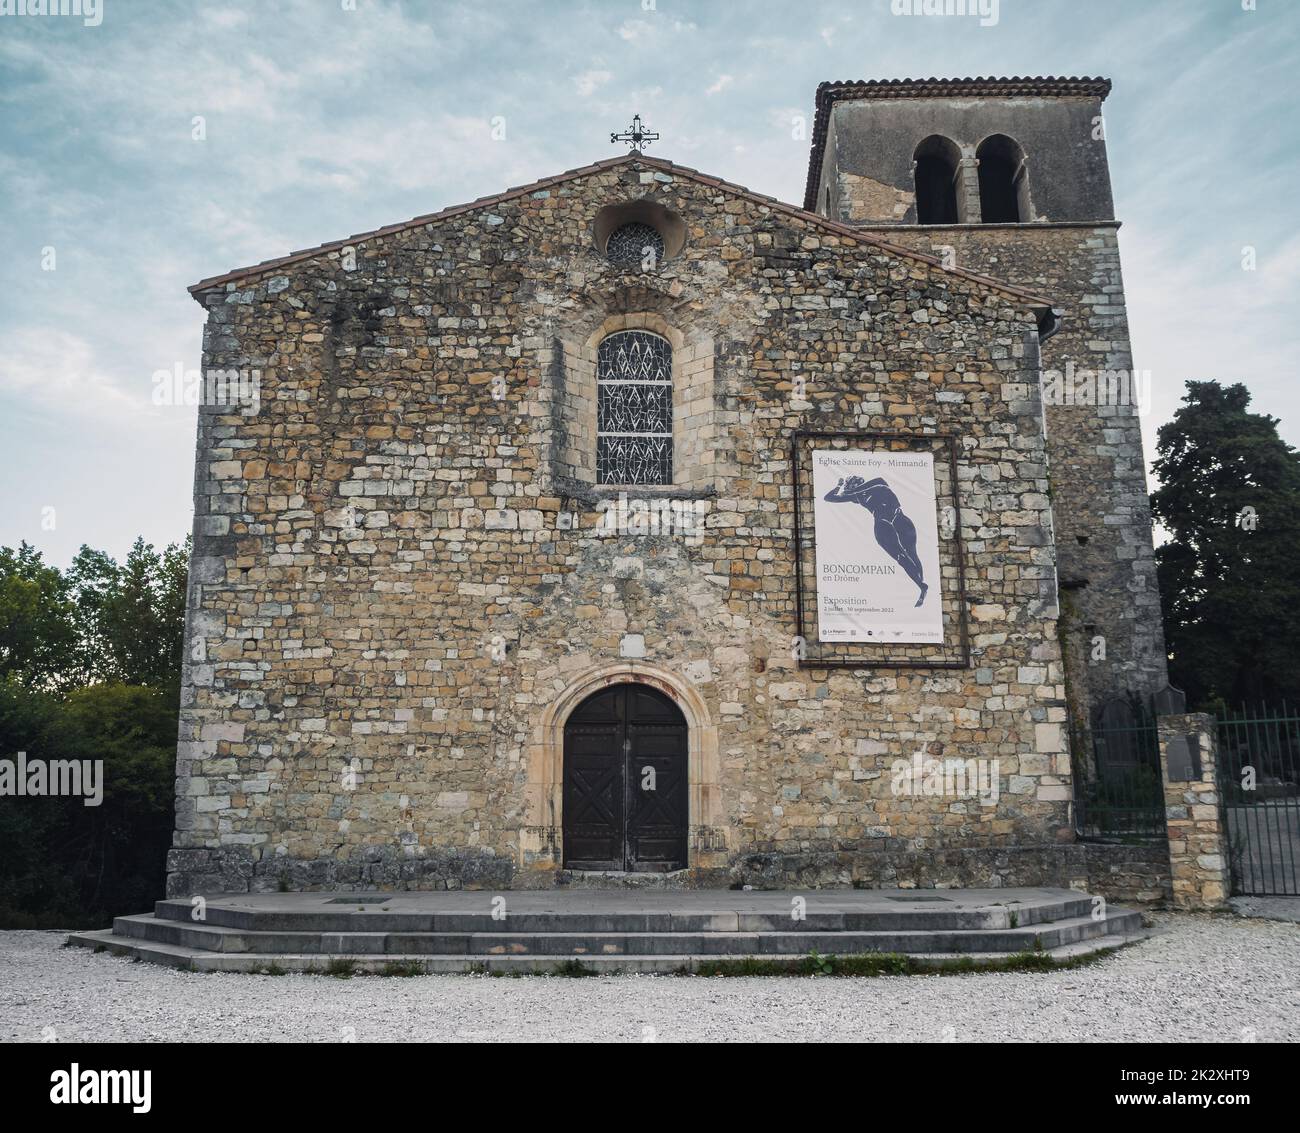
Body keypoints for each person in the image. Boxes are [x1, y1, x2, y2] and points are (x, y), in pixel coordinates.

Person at [823, 475, 928, 607]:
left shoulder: (878, 484)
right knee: (901, 557)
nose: (853, 490)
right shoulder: (856, 496)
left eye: (852, 487)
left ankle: (921, 583)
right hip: (882, 523)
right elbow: (828, 498)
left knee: (912, 553)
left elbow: (874, 482)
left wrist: (847, 491)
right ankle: (921, 585)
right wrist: (838, 486)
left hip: (898, 517)